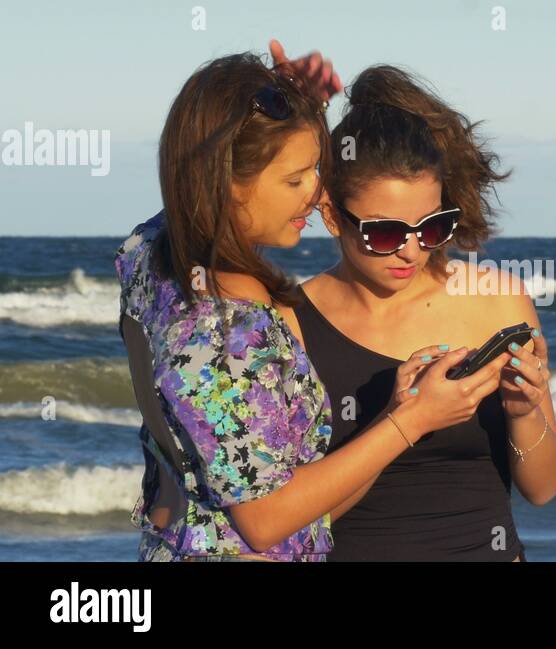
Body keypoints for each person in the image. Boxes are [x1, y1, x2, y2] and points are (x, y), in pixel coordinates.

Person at [115, 50, 509, 561]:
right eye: (295, 178)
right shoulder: (226, 326)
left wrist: (292, 110)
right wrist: (412, 422)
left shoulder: (151, 258)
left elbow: (194, 177)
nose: (316, 194)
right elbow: (266, 520)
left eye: (314, 169)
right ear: (227, 185)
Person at [281, 64, 556, 561]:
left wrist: (524, 414)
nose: (411, 251)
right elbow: (286, 517)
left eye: (432, 227)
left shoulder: (495, 299)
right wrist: (404, 420)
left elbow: (543, 489)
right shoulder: (291, 323)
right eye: (386, 234)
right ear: (330, 215)